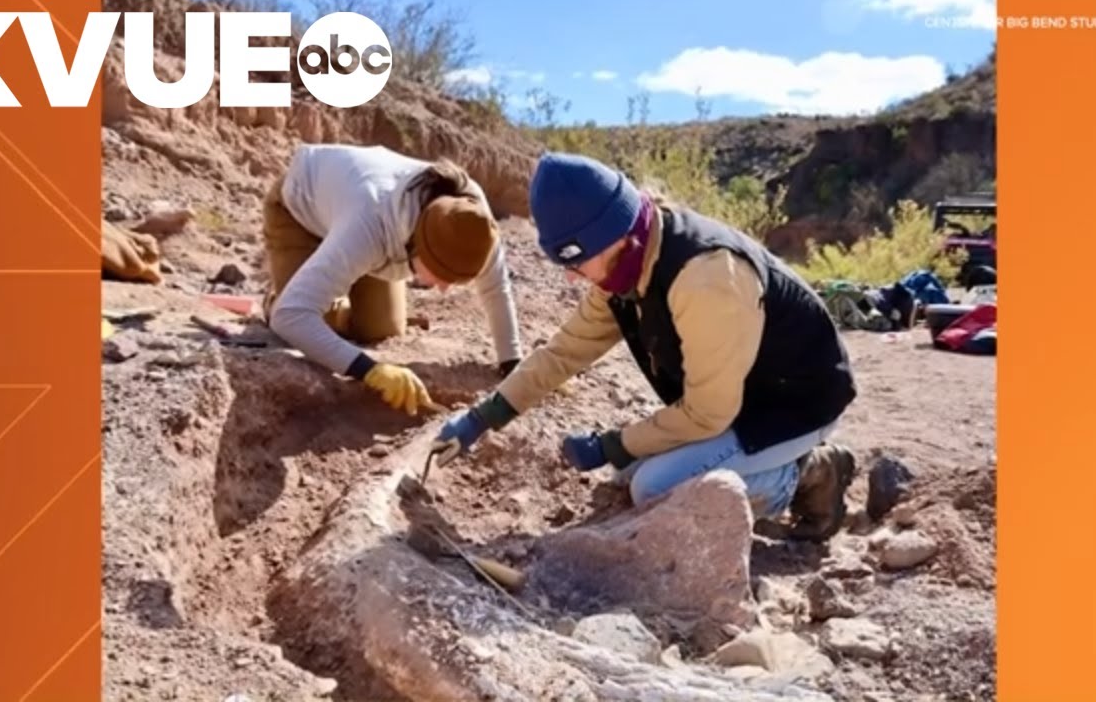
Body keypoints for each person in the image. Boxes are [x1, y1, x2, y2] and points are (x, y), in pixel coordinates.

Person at [432, 152, 858, 541]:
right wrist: (481, 418)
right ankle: (771, 468)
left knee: (655, 488)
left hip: (796, 406)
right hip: (739, 399)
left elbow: (707, 414)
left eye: (574, 261)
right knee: (630, 475)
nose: (571, 277)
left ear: (609, 237)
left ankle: (811, 474)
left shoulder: (705, 278)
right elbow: (564, 352)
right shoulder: (626, 264)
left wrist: (610, 445)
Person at [261, 143, 523, 415]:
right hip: (301, 213)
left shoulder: (473, 224)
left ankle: (331, 280)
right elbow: (291, 316)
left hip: (356, 226)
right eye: (441, 275)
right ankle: (277, 297)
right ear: (417, 248)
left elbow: (496, 289)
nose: (444, 289)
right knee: (305, 321)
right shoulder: (369, 224)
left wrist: (513, 363)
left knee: (380, 328)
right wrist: (369, 370)